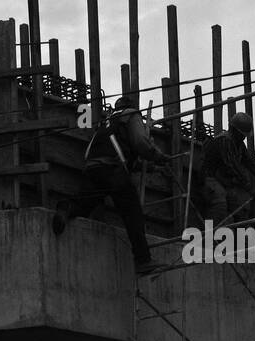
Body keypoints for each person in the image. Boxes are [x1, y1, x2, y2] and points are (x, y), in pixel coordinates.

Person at [53, 95, 170, 273]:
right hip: (113, 170)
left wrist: (151, 167)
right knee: (133, 213)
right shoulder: (131, 114)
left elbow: (121, 152)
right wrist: (158, 156)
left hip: (93, 168)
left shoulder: (107, 123)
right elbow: (140, 143)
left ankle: (65, 209)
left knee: (84, 204)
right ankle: (143, 260)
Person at [201, 111, 255, 224]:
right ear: (234, 130)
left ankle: (239, 240)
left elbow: (249, 163)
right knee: (219, 206)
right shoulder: (224, 141)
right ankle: (211, 238)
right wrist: (249, 188)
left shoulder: (238, 144)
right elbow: (232, 167)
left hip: (224, 183)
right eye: (242, 134)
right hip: (211, 180)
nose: (244, 138)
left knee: (239, 212)